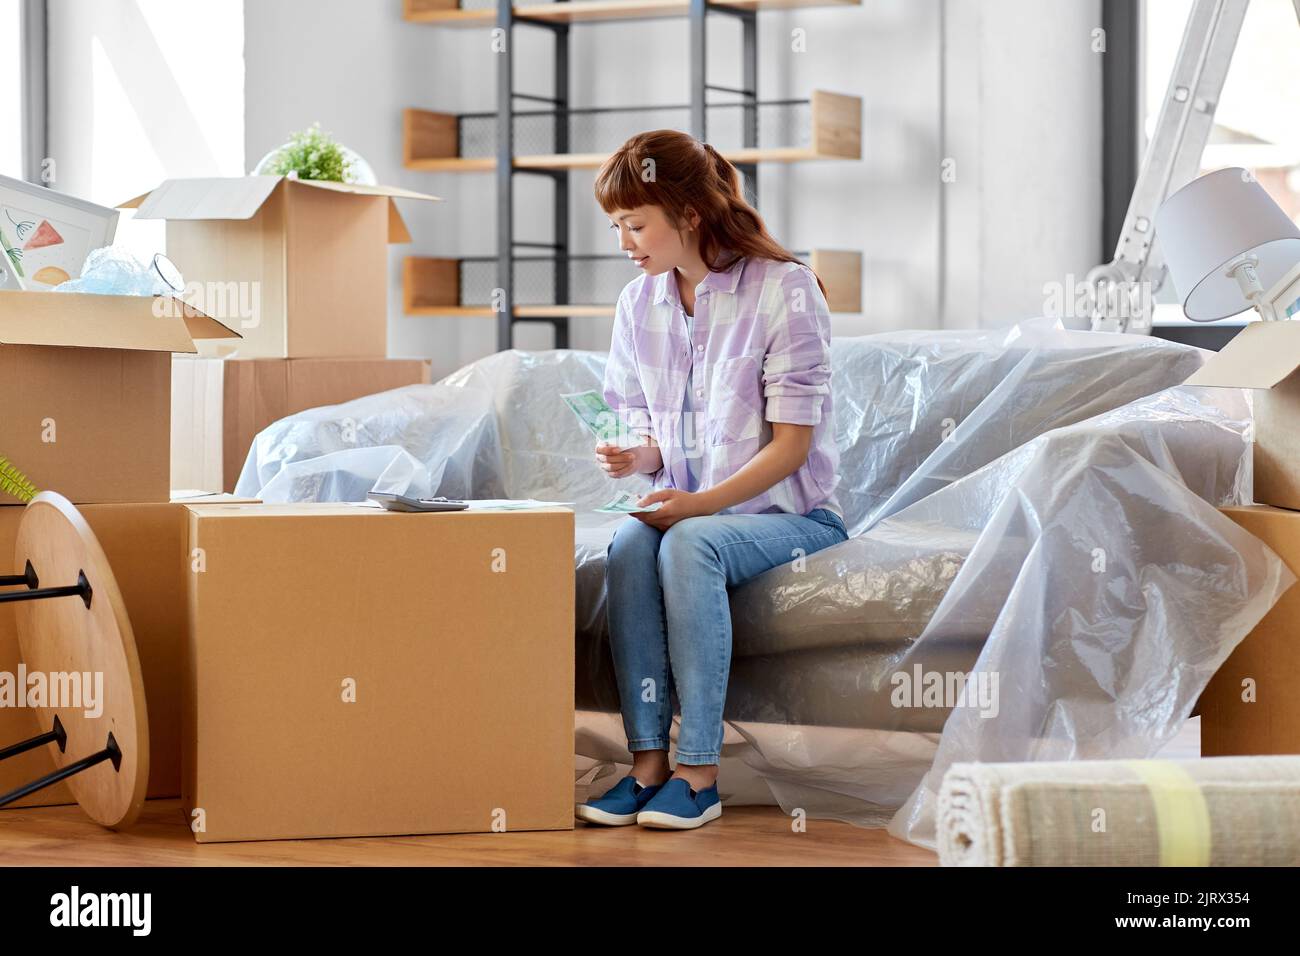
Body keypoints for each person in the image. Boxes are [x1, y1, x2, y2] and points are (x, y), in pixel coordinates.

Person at [575, 130, 847, 830]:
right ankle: (646, 768)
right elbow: (648, 428)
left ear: (688, 214)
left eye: (636, 225)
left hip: (791, 515)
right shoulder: (639, 304)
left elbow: (791, 450)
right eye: (617, 227)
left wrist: (697, 505)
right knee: (631, 545)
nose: (625, 243)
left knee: (687, 543)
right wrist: (638, 457)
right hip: (694, 510)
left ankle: (698, 772)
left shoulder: (784, 289)